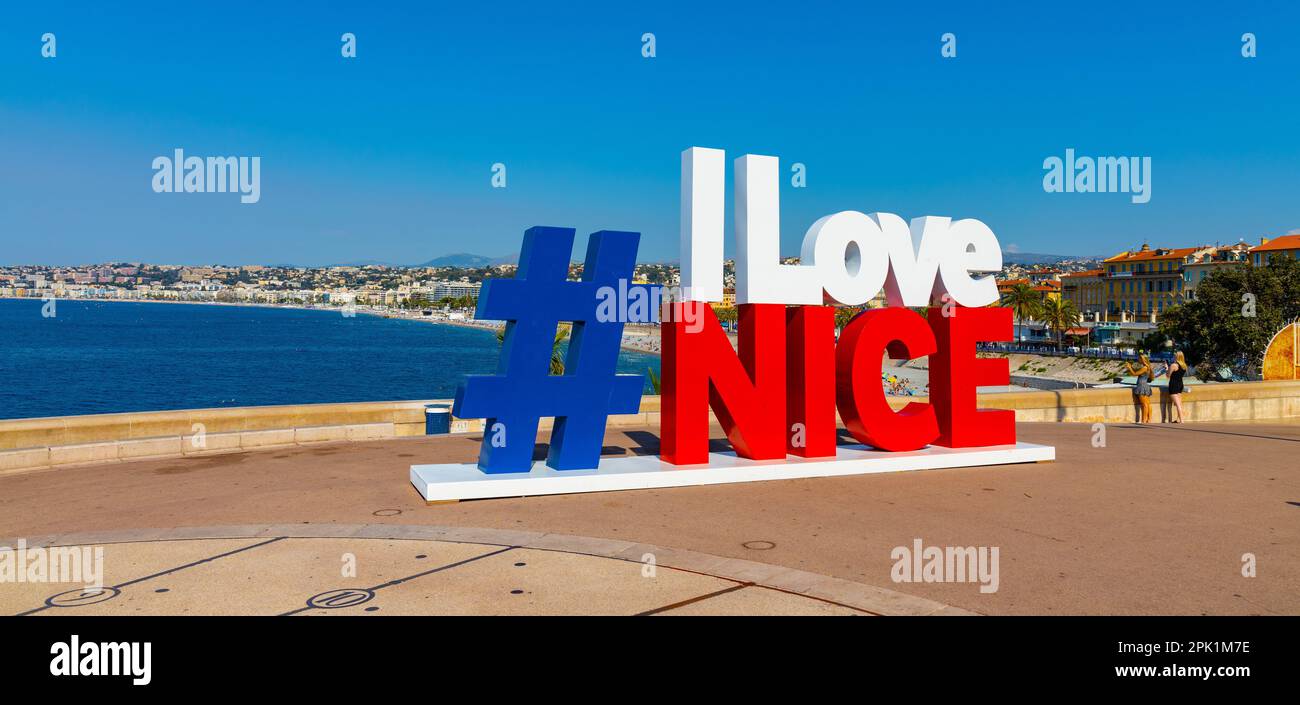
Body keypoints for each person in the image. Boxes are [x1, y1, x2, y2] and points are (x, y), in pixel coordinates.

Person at [1125, 353, 1154, 423]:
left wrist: (1129, 368)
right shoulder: (1148, 367)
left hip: (1141, 386)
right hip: (1145, 385)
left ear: (1143, 359)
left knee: (1144, 404)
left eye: (1139, 358)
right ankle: (1149, 420)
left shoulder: (1144, 368)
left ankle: (1144, 420)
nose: (1138, 359)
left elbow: (1134, 374)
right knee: (1147, 404)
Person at [1166, 350, 1188, 423]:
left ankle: (1182, 420)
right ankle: (1178, 419)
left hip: (1173, 385)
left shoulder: (1174, 365)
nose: (1173, 357)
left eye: (1174, 356)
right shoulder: (1184, 365)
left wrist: (1166, 368)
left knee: (1178, 404)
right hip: (1180, 384)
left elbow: (1168, 375)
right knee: (1179, 403)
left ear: (1177, 357)